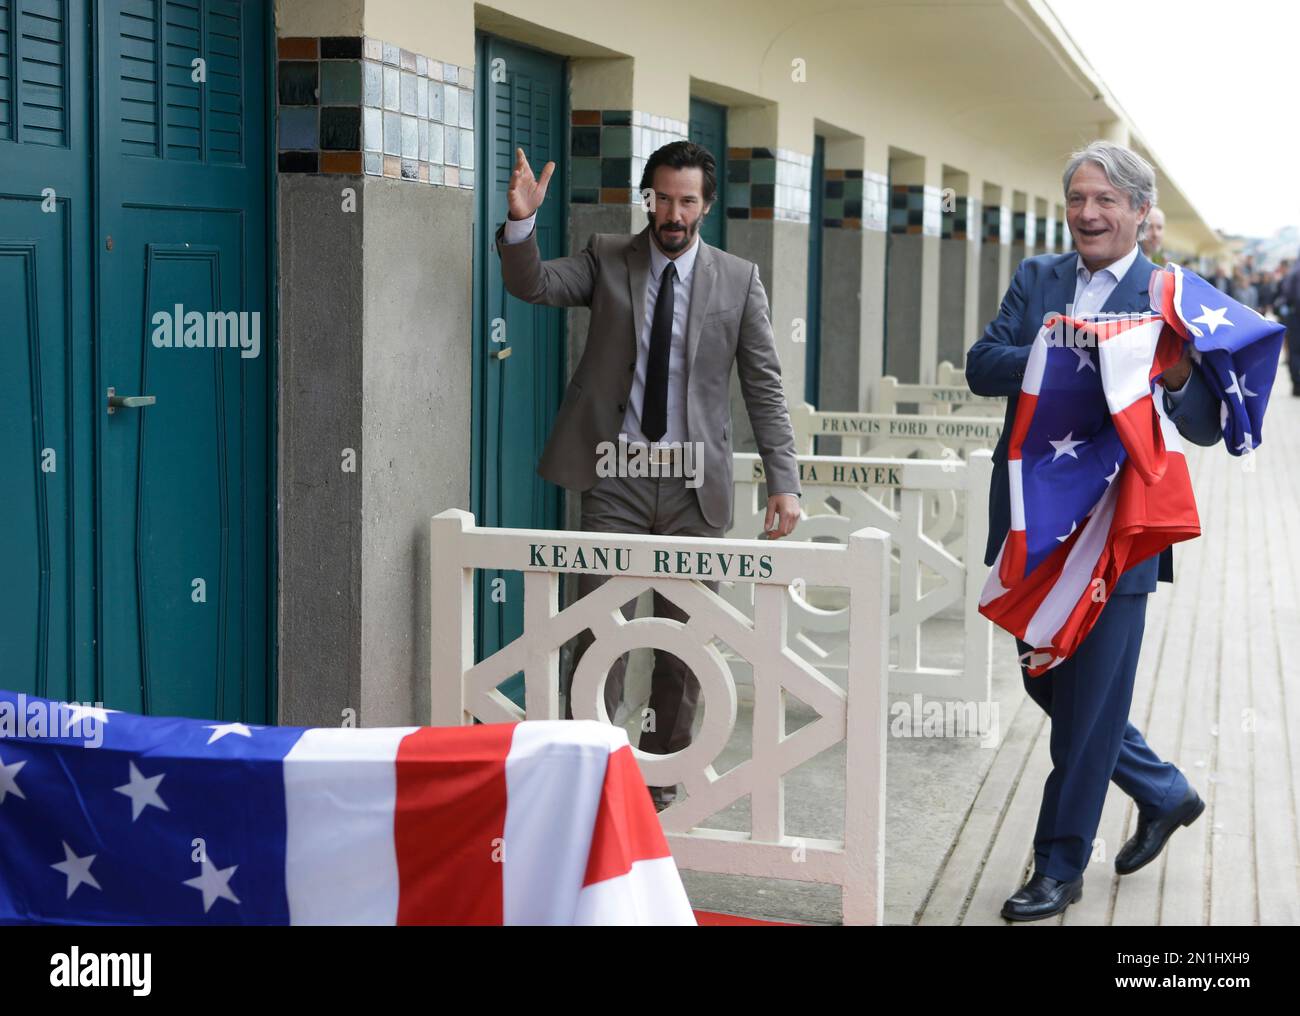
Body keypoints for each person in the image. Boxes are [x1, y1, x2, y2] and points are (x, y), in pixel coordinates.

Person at [495, 141, 802, 809]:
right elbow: (532, 284)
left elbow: (764, 386)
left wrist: (785, 479)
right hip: (617, 478)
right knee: (597, 628)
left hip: (697, 486)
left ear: (706, 206)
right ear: (647, 199)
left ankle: (662, 780)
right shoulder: (607, 256)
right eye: (661, 198)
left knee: (685, 643)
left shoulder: (738, 279)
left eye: (686, 201)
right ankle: (589, 773)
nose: (673, 213)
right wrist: (521, 224)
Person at [966, 140, 1223, 921]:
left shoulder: (1170, 294)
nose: (1088, 213)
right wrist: (1067, 350)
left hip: (1122, 530)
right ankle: (1163, 791)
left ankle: (1057, 867)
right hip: (1033, 524)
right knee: (1047, 681)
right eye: (1079, 198)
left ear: (1141, 213)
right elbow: (982, 364)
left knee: (1087, 708)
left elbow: (1209, 423)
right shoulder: (1039, 278)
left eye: (1107, 200)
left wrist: (1173, 371)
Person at [1280, 258, 1300, 395]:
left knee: (1294, 352)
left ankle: (1297, 385)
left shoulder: (1293, 273)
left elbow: (1286, 295)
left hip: (1294, 317)